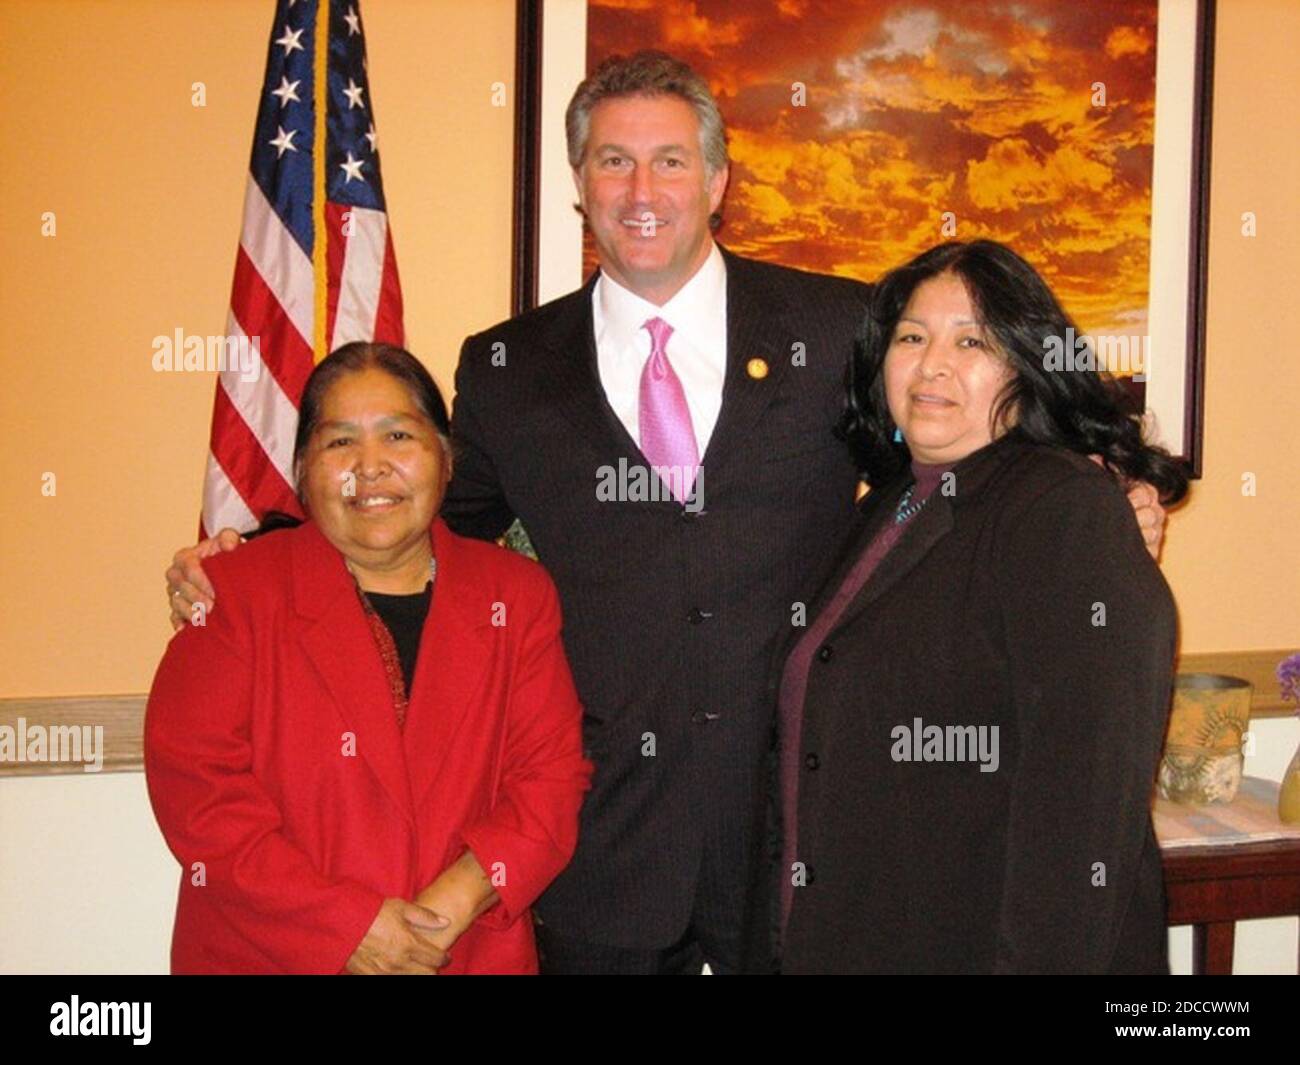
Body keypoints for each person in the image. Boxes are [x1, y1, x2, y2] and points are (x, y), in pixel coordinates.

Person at [165, 52, 1166, 975]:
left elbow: (937, 470)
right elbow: (418, 511)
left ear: (718, 182)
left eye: (671, 161)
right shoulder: (510, 370)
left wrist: (1097, 486)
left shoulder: (831, 328)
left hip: (795, 855)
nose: (642, 193)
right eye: (613, 162)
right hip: (604, 856)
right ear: (579, 186)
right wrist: (258, 551)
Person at [757, 240, 1187, 974]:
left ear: (1024, 364)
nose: (932, 365)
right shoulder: (889, 506)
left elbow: (1082, 809)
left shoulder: (1062, 507)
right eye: (912, 337)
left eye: (972, 342)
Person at [146, 342, 590, 974]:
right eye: (339, 443)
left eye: (399, 435)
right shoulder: (232, 593)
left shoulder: (515, 596)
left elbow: (548, 781)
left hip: (463, 952)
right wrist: (348, 926)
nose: (371, 466)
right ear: (302, 469)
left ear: (445, 458)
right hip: (273, 954)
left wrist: (446, 911)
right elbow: (200, 799)